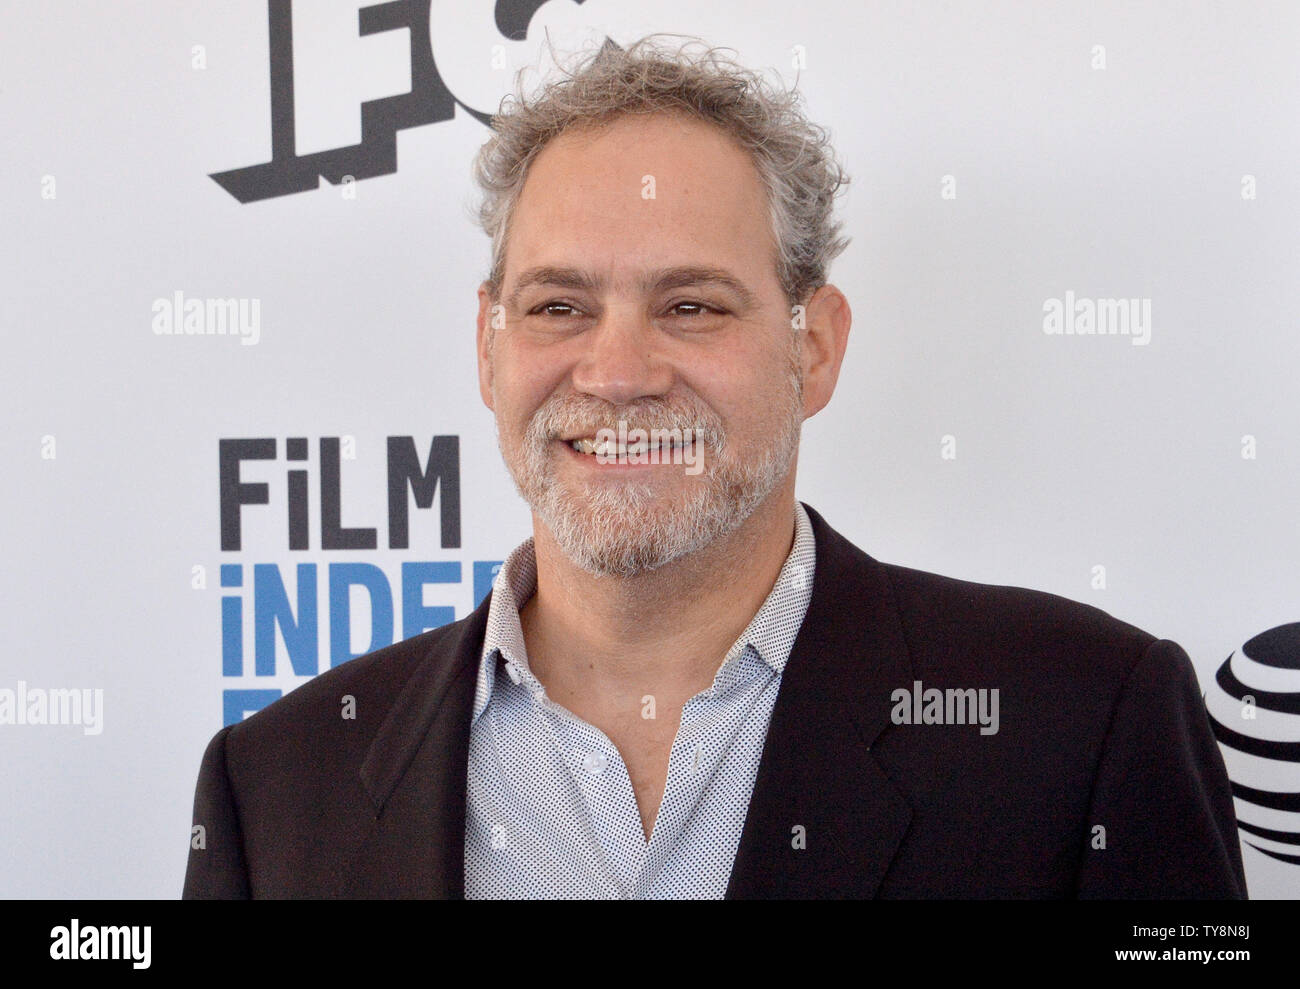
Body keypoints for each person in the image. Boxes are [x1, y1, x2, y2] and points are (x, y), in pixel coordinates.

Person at [183, 35, 1246, 899]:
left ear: (813, 346)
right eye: (559, 305)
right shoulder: (277, 783)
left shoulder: (1084, 719)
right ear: (488, 345)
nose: (617, 371)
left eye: (691, 305)